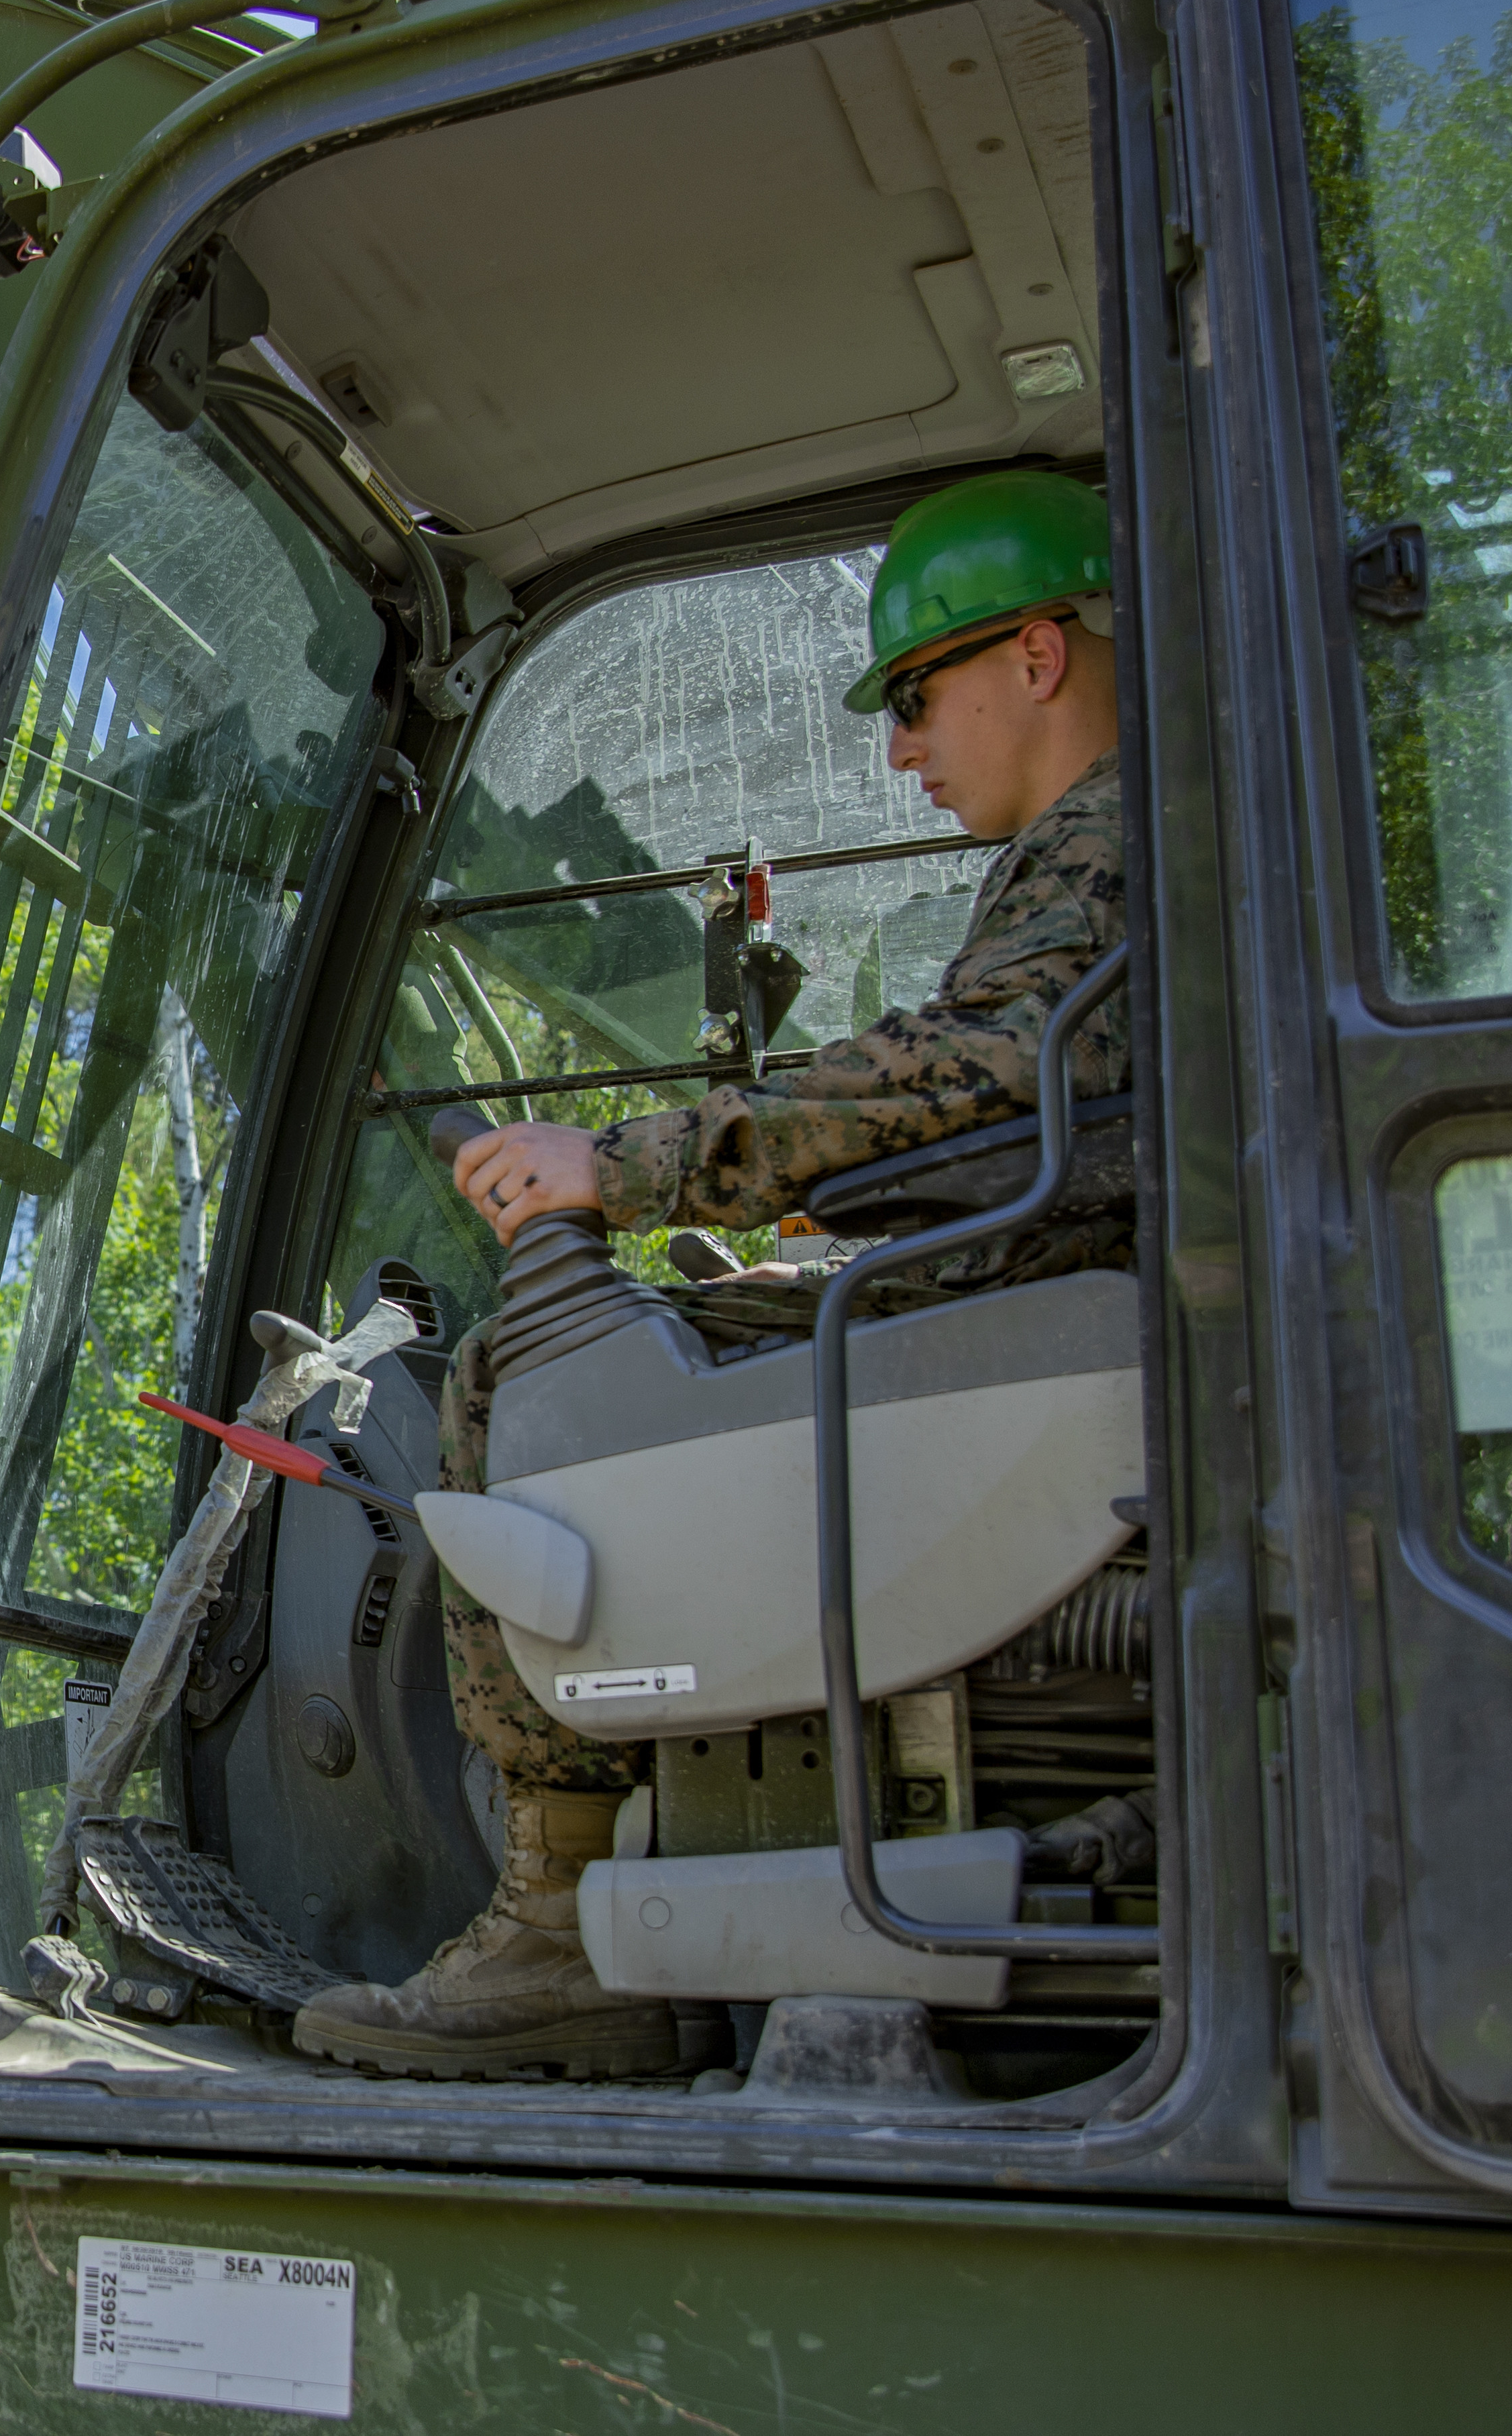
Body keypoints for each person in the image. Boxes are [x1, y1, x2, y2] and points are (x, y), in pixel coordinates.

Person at [292, 468, 1133, 2082]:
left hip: (1025, 1337)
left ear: (1036, 657)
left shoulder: (1109, 840)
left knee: (516, 1381)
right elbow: (1029, 1099)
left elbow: (994, 1059)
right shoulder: (1115, 843)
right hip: (1029, 1306)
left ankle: (559, 1927)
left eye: (914, 694)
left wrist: (621, 1168)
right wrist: (834, 1209)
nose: (899, 749)